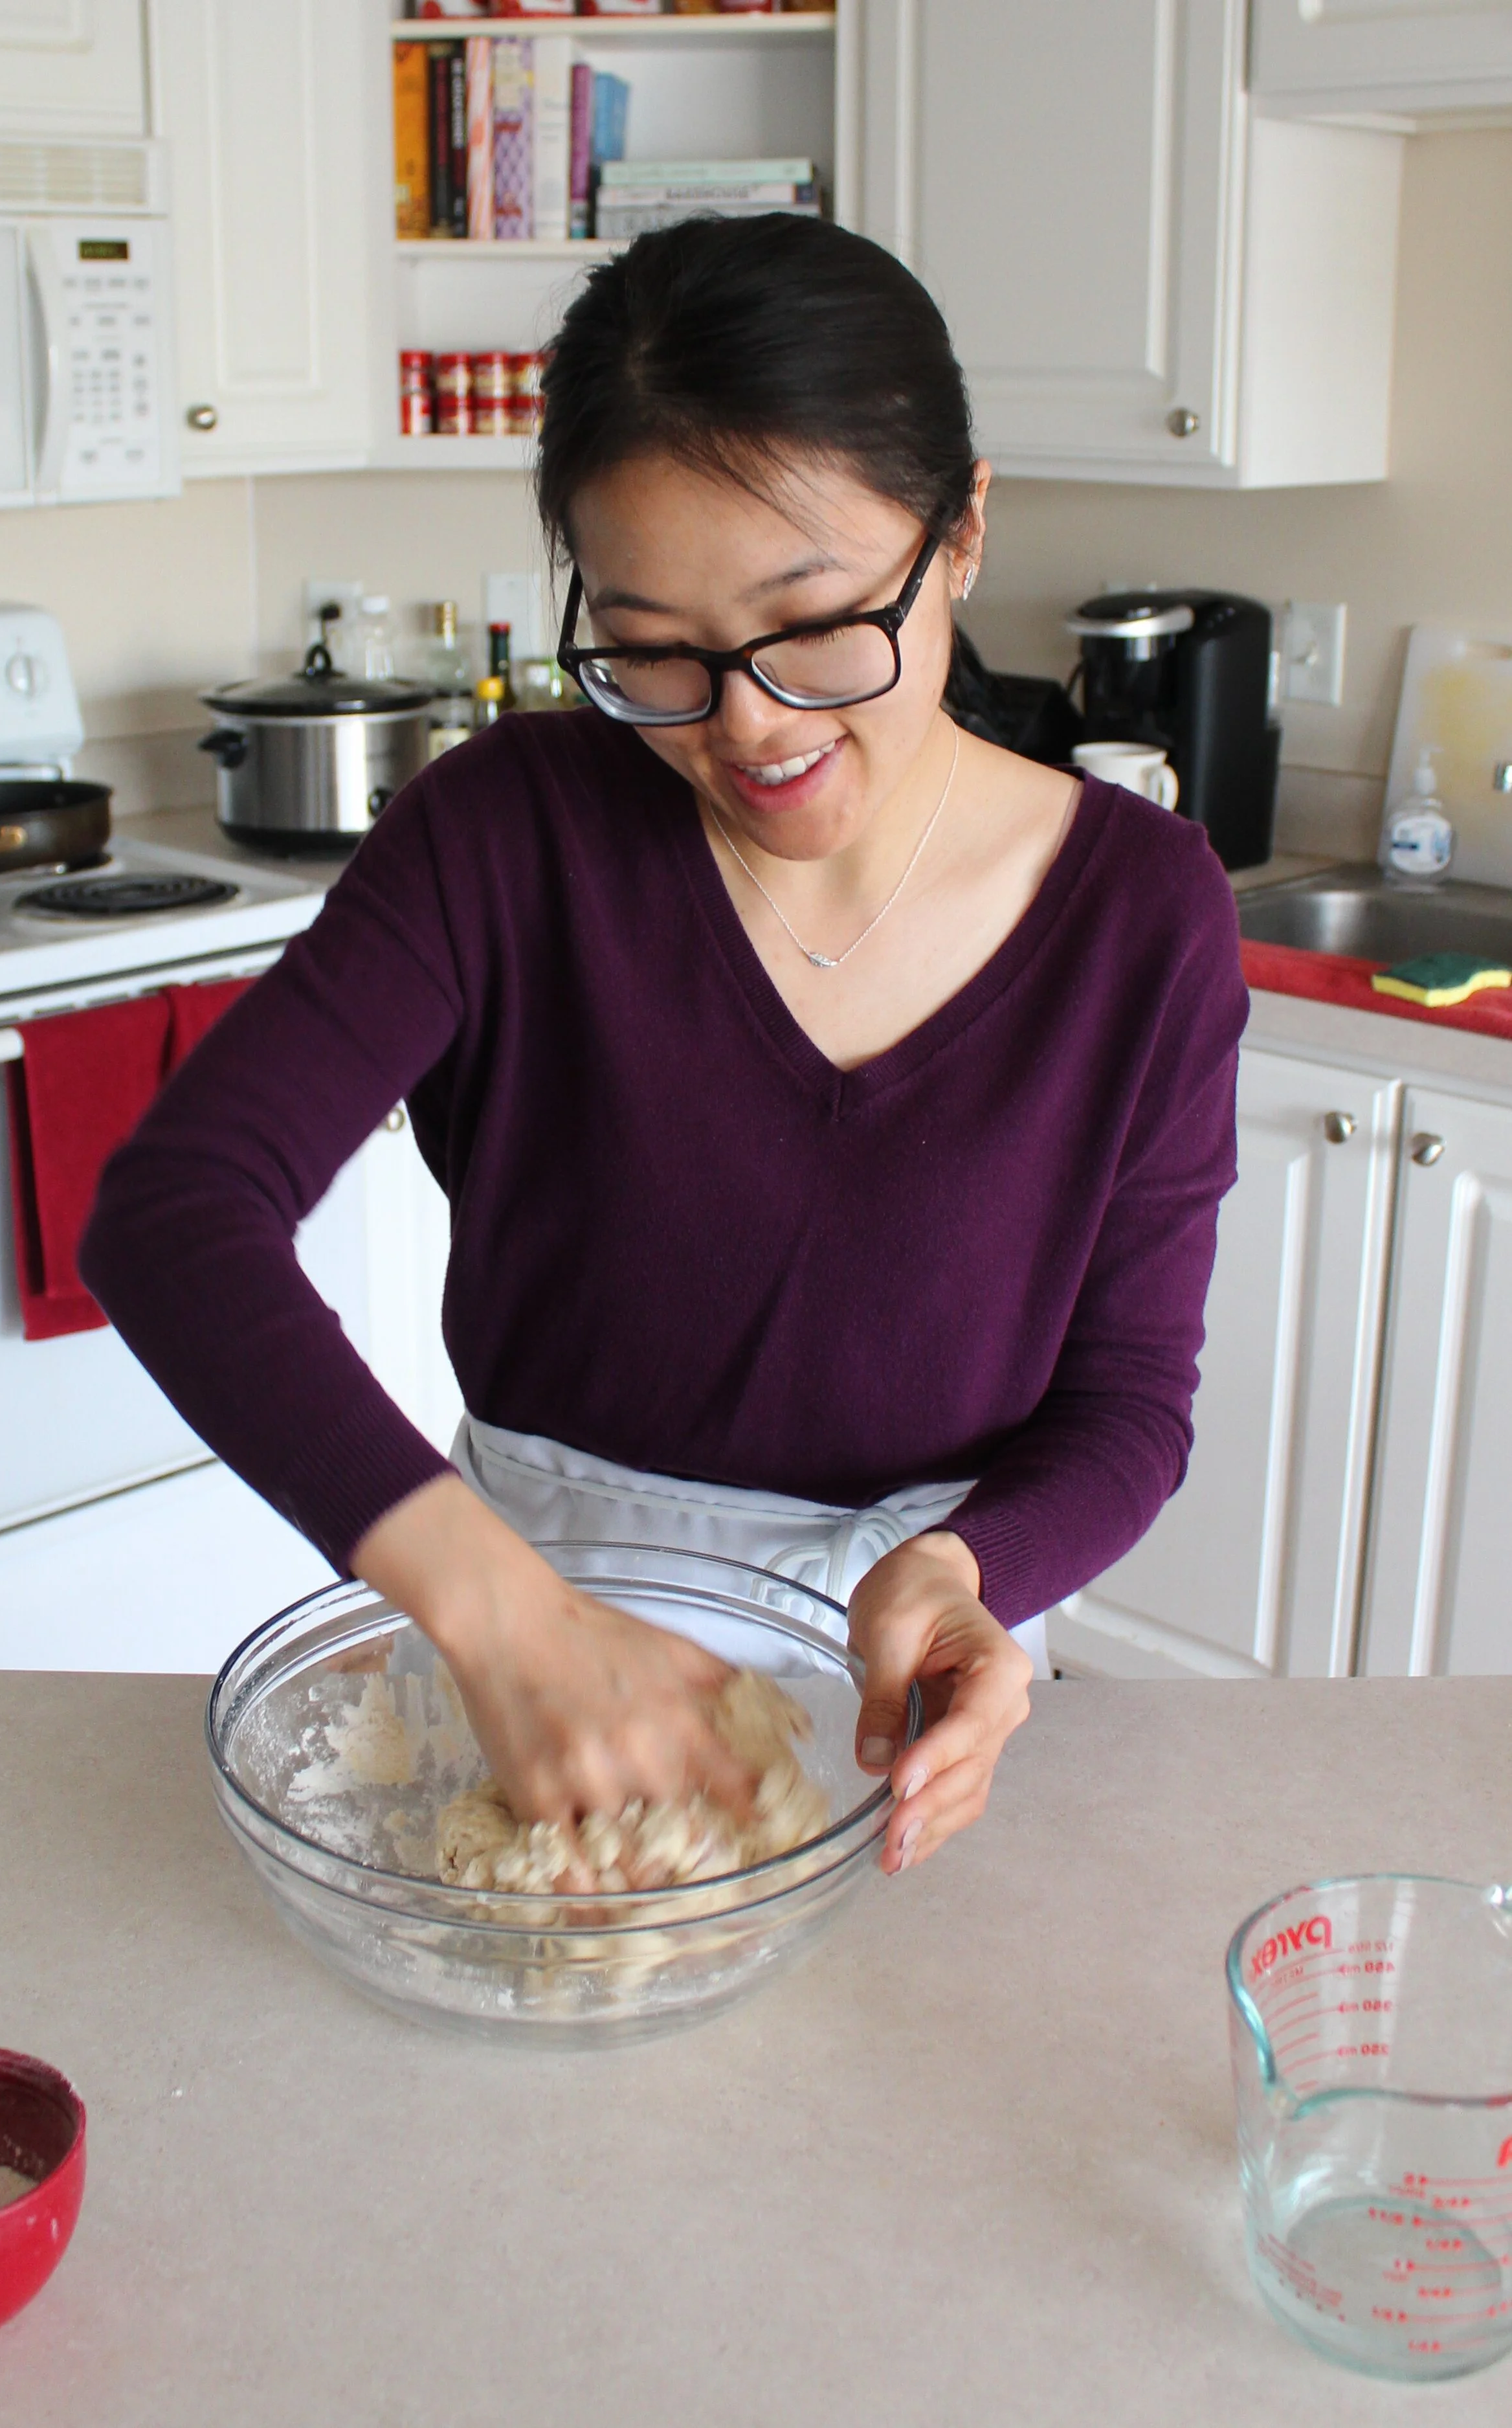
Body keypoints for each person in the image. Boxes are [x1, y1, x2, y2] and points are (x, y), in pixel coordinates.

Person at [83, 215, 1247, 1876]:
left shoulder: (1141, 913)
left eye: (814, 623)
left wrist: (967, 1570)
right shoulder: (503, 833)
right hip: (526, 1662)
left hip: (910, 1695)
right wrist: (497, 1615)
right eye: (649, 649)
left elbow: (1127, 1400)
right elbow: (175, 1213)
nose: (747, 725)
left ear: (963, 531)